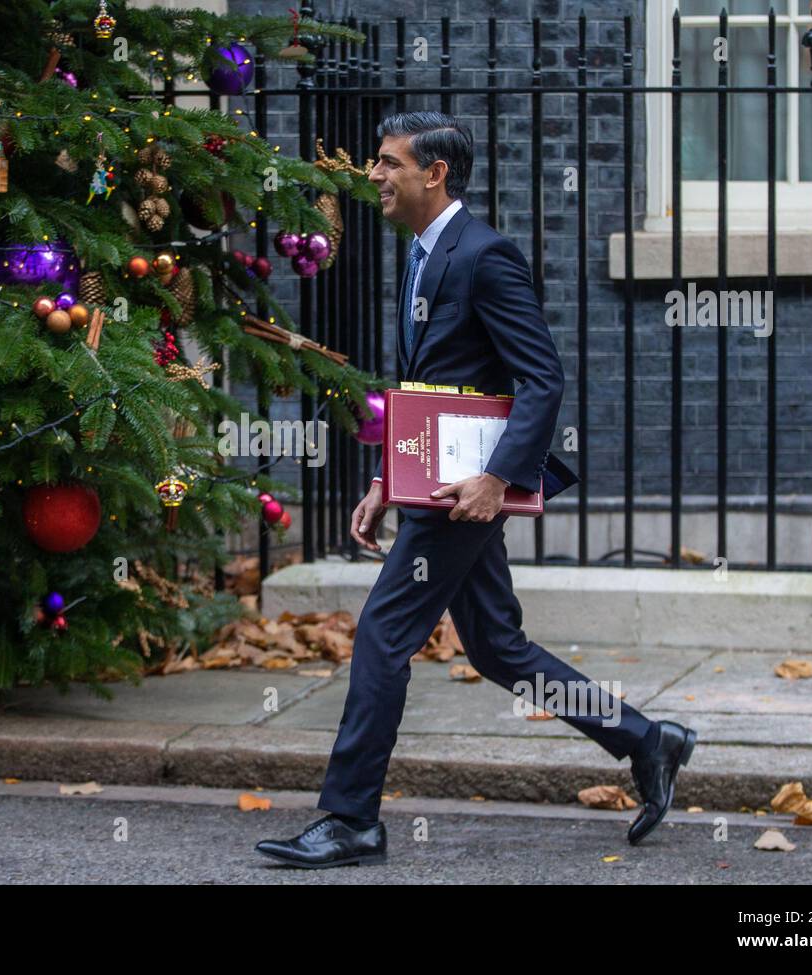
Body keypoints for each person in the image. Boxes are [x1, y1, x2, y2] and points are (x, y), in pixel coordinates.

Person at [255, 111, 697, 869]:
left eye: (389, 163)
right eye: (375, 161)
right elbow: (432, 391)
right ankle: (646, 738)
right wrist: (385, 479)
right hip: (442, 487)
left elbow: (542, 377)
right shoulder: (423, 255)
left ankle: (351, 816)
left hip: (469, 490)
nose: (375, 176)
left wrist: (497, 479)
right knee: (497, 647)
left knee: (382, 636)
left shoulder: (484, 256)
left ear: (435, 174)